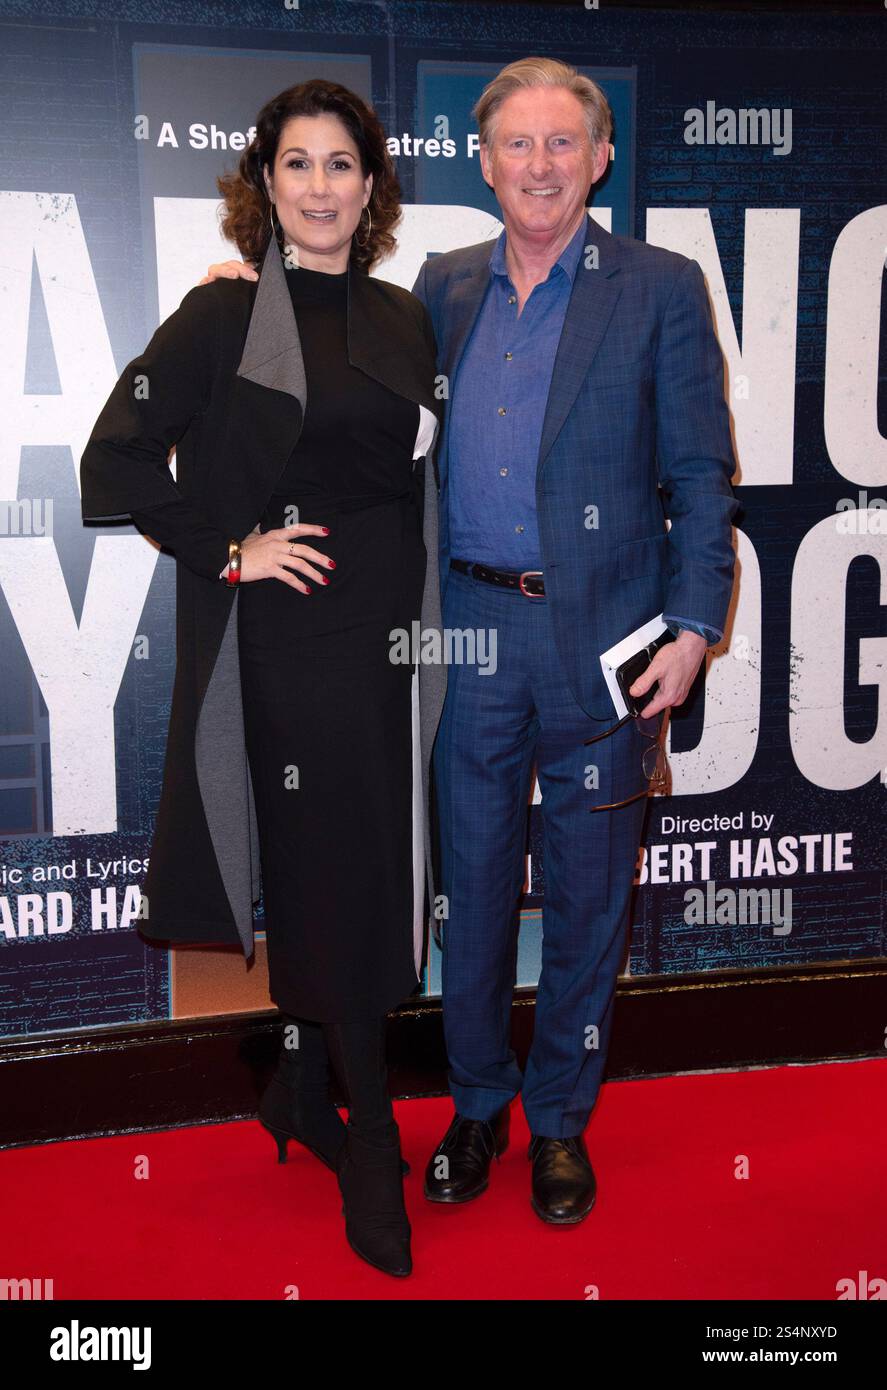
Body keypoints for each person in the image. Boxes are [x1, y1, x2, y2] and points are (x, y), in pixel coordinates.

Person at [201, 57, 739, 1227]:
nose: (537, 166)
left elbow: (701, 476)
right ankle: (476, 1107)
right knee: (469, 891)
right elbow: (333, 366)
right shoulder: (437, 288)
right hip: (459, 641)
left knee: (590, 900)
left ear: (599, 158)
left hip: (606, 648)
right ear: (481, 161)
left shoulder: (657, 287)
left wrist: (695, 626)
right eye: (514, 145)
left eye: (561, 144)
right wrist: (248, 300)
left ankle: (557, 1126)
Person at [80, 79, 445, 1278]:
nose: (322, 186)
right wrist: (228, 548)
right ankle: (376, 1143)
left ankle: (296, 1084)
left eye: (343, 164)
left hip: (396, 650)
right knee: (335, 880)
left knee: (367, 875)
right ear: (264, 185)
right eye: (298, 164)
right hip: (289, 655)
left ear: (370, 188)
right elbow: (115, 455)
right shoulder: (219, 318)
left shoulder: (400, 316)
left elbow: (422, 479)